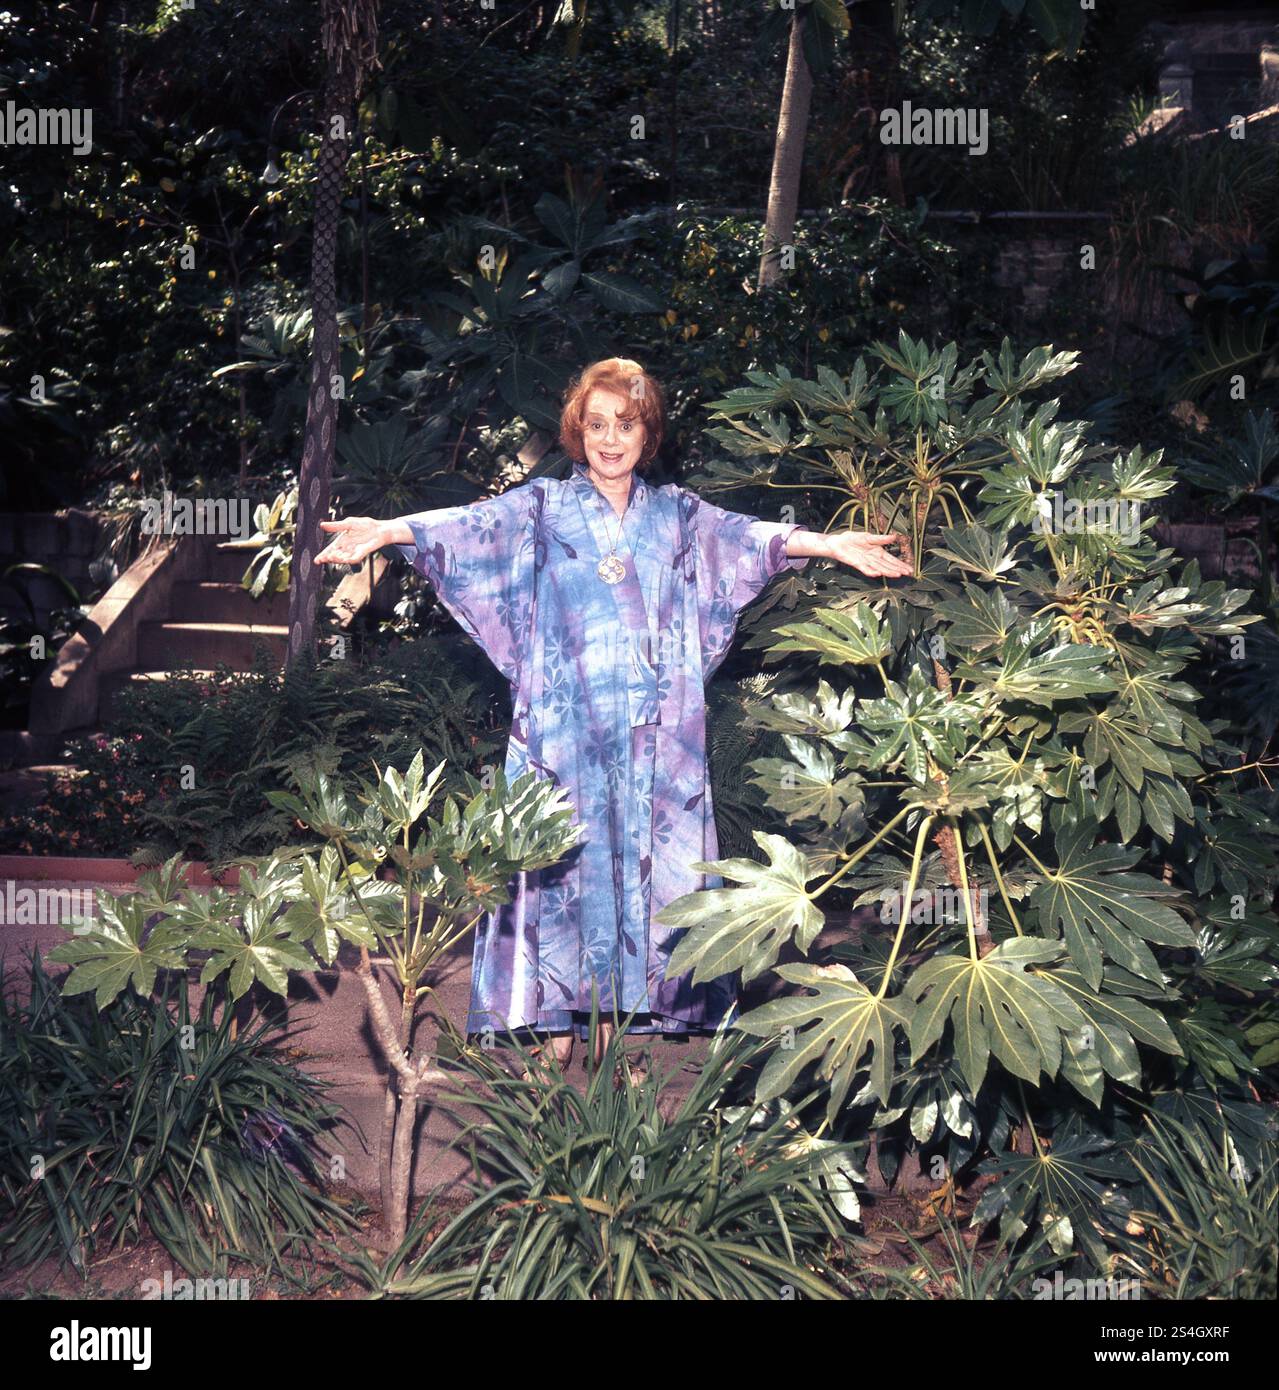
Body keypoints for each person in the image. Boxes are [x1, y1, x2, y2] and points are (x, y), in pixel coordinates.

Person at [316, 357, 910, 1074]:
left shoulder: (680, 515)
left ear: (646, 433)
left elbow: (754, 539)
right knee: (561, 863)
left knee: (645, 864)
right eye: (595, 424)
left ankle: (612, 1013)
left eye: (624, 425)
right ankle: (551, 1018)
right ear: (576, 430)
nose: (608, 439)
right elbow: (469, 526)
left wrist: (832, 543)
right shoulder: (541, 507)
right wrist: (386, 531)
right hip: (563, 730)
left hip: (658, 735)